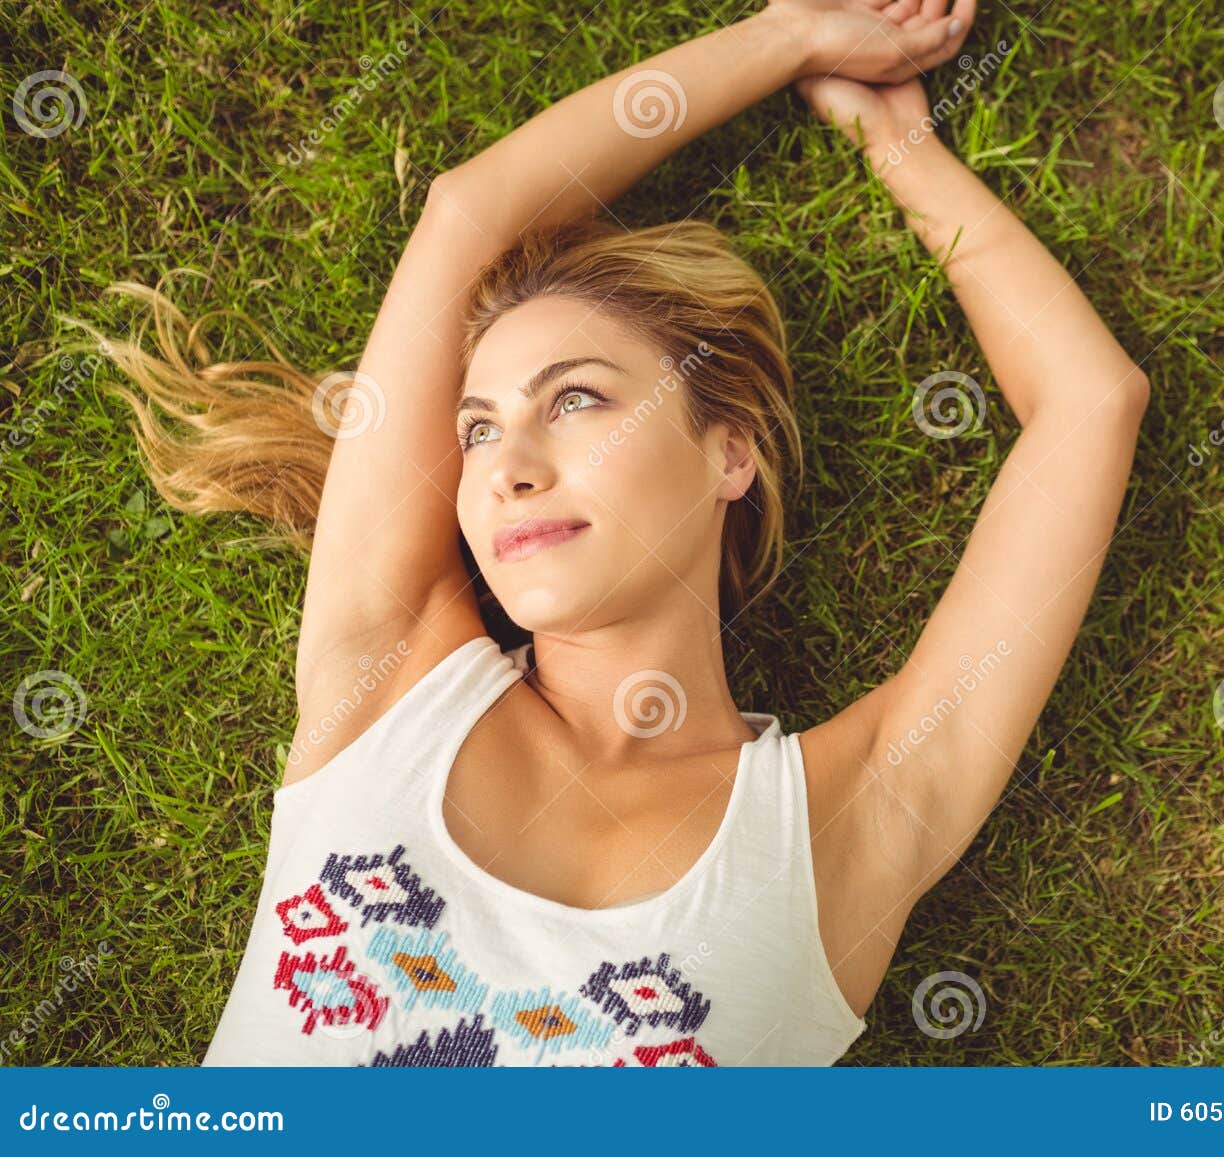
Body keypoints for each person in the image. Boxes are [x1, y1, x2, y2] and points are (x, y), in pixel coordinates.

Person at [84, 0, 1148, 1066]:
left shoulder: (842, 821)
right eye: (476, 428)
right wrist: (788, 34)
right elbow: (463, 214)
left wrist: (898, 146)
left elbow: (1091, 402)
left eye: (578, 399)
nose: (509, 466)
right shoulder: (388, 674)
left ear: (728, 451)